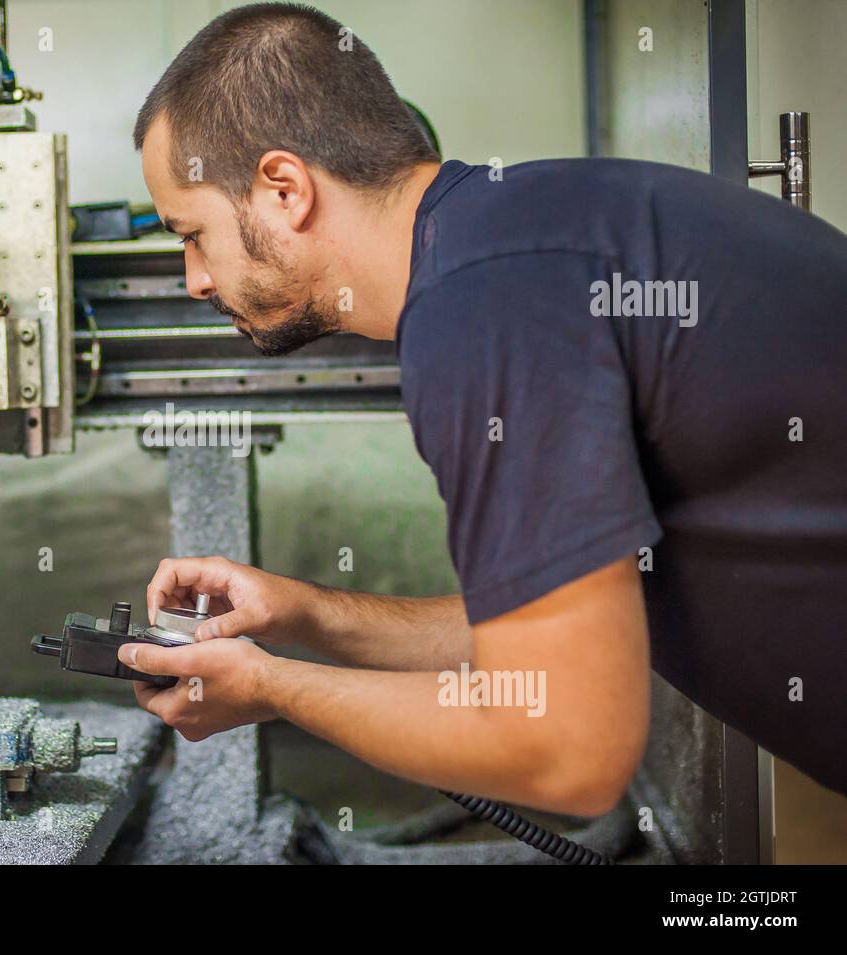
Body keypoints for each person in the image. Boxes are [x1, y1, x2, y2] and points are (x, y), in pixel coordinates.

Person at [120, 2, 847, 812]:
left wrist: (270, 686)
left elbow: (565, 746)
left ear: (284, 188)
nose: (195, 279)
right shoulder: (507, 241)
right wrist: (304, 616)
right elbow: (548, 630)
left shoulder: (481, 306)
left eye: (190, 233)